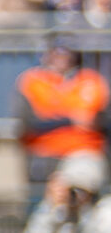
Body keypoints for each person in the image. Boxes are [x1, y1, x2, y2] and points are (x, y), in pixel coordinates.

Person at [17, 40, 107, 191]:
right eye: (56, 53)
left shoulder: (90, 80)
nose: (61, 58)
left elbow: (100, 119)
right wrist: (71, 120)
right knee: (51, 189)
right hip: (44, 151)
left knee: (80, 179)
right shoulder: (33, 81)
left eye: (66, 54)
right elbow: (29, 124)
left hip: (82, 150)